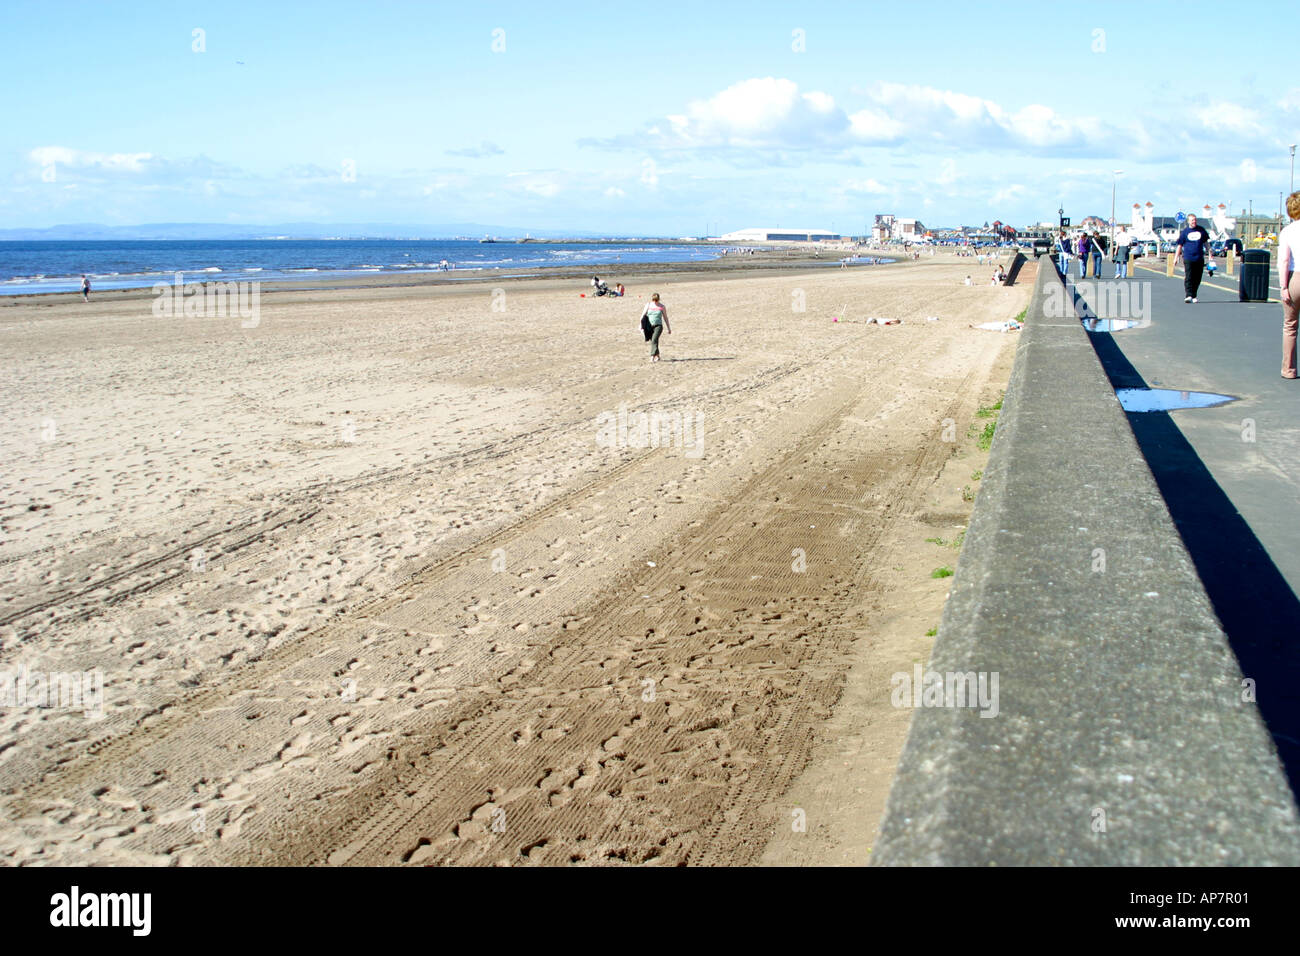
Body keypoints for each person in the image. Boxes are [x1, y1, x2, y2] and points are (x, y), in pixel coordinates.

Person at [1279, 191, 1300, 379]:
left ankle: (1289, 369)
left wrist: (1283, 286)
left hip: (1295, 278)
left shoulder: (1287, 231)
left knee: (1290, 325)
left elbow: (1284, 261)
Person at [1175, 214, 1211, 303]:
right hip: (1188, 257)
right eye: (1192, 220)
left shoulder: (1201, 230)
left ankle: (1194, 295)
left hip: (1199, 257)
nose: (1194, 221)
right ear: (1188, 221)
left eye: (1195, 220)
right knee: (1189, 276)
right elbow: (1180, 245)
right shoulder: (1185, 232)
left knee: (1197, 277)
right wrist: (1175, 258)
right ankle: (1188, 295)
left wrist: (1210, 254)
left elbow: (1206, 243)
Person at [641, 292, 670, 362]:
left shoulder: (662, 306)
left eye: (656, 300)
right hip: (649, 326)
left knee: (654, 340)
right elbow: (642, 315)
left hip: (658, 326)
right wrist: (641, 326)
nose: (655, 301)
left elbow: (665, 318)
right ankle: (658, 356)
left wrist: (669, 328)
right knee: (654, 341)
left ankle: (652, 357)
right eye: (654, 300)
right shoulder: (648, 305)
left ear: (658, 299)